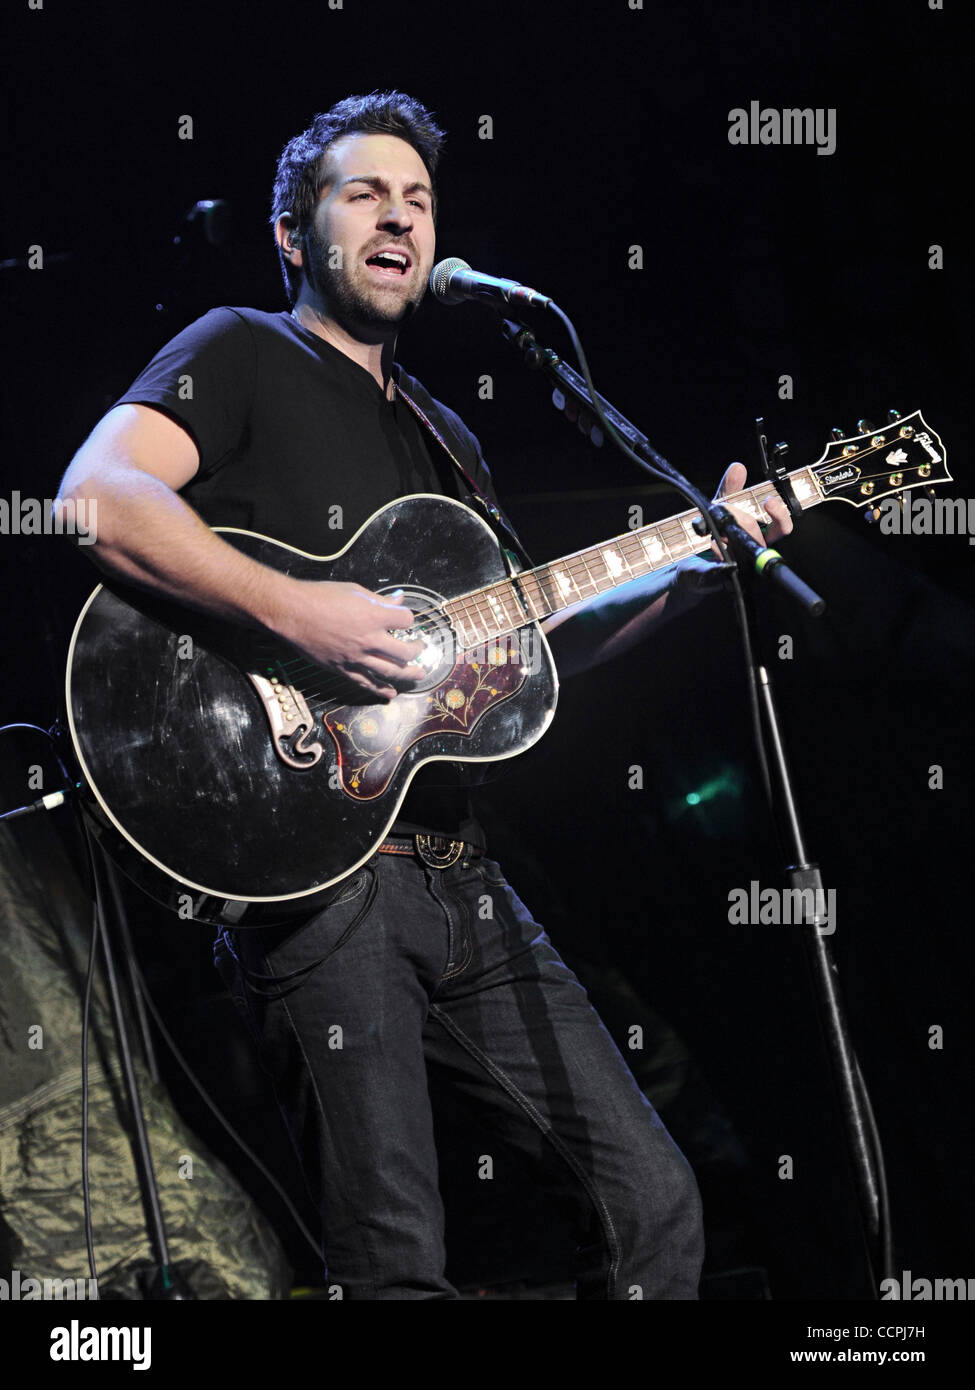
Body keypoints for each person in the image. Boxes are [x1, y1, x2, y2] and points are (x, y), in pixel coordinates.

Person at [56, 91, 792, 1300]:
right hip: (314, 873)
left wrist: (691, 569)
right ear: (296, 234)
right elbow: (99, 495)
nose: (400, 216)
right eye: (366, 193)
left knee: (655, 1206)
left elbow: (521, 648)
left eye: (420, 199)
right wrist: (303, 613)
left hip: (464, 875)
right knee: (396, 1257)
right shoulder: (242, 345)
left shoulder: (450, 438)